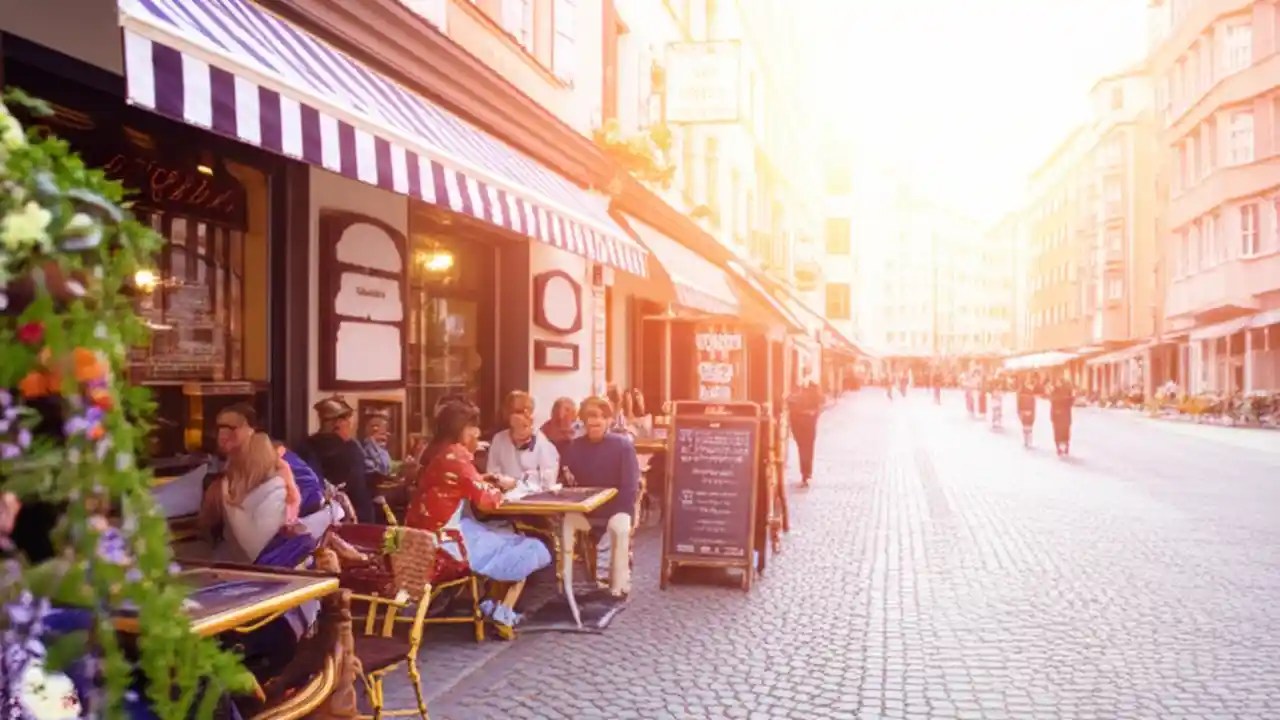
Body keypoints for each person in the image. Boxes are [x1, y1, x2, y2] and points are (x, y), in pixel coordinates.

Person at [407, 401, 552, 638]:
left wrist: (482, 478)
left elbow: (456, 482)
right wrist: (507, 485)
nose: (476, 432)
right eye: (473, 427)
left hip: (424, 536)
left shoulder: (433, 451)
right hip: (447, 544)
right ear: (460, 429)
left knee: (503, 534)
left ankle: (491, 602)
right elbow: (487, 501)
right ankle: (502, 610)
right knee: (525, 544)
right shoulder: (456, 456)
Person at [562, 398, 641, 598]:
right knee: (563, 525)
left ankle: (619, 584)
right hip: (586, 509)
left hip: (616, 508)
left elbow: (630, 487)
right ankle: (568, 582)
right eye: (589, 417)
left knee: (619, 528)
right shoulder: (575, 447)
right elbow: (565, 479)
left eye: (599, 417)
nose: (594, 422)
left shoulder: (623, 446)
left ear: (608, 421)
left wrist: (620, 511)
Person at [217, 403, 325, 517]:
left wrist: (283, 517)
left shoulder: (277, 457)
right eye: (220, 428)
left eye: (231, 428)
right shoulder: (230, 463)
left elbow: (313, 491)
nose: (222, 434)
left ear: (251, 430)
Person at [297, 396, 374, 524]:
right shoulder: (351, 449)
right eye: (347, 421)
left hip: (316, 520)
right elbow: (359, 489)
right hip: (350, 517)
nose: (350, 425)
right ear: (336, 424)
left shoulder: (304, 446)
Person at [487, 391, 560, 494]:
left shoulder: (543, 444)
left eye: (523, 411)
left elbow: (548, 483)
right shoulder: (499, 440)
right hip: (504, 503)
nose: (519, 417)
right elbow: (492, 476)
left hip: (534, 504)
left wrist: (516, 484)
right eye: (515, 411)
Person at [787, 381, 822, 487]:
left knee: (803, 449)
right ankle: (806, 472)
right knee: (807, 449)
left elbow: (791, 411)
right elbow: (818, 410)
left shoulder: (796, 398)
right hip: (807, 428)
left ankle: (805, 473)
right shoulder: (813, 397)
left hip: (802, 428)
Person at [1050, 375, 1075, 456]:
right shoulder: (1054, 391)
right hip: (1057, 415)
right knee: (1057, 432)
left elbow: (1070, 402)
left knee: (1065, 432)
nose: (1058, 384)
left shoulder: (1067, 391)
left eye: (1059, 382)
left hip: (1065, 415)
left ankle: (1066, 447)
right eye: (1057, 382)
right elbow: (1052, 403)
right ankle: (1059, 448)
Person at [1017, 374, 1040, 448]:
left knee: (1029, 427)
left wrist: (1033, 413)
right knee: (1025, 427)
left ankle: (1028, 441)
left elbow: (1033, 404)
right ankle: (1026, 441)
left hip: (1029, 411)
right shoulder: (1021, 392)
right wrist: (1019, 411)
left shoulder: (1030, 393)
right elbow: (1019, 403)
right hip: (1024, 410)